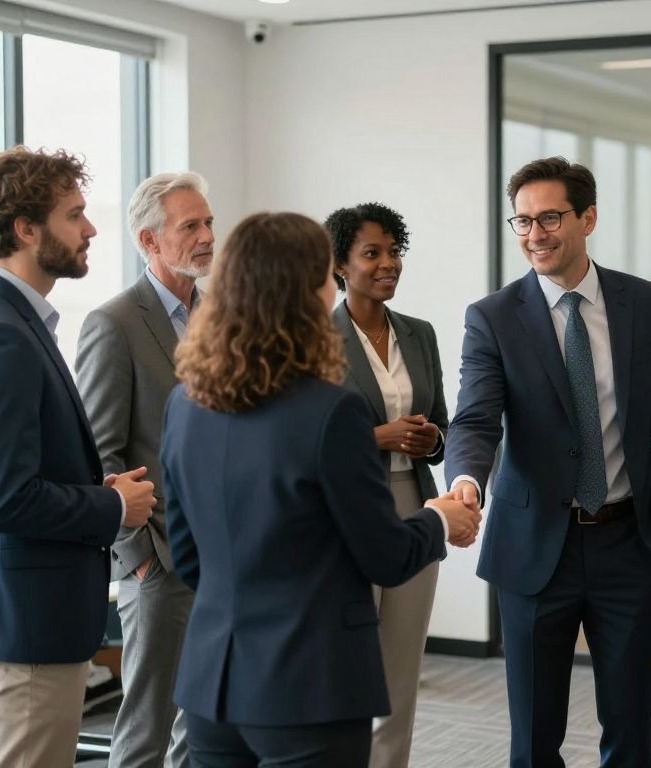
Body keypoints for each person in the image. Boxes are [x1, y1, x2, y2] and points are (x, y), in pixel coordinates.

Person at [160, 211, 480, 768]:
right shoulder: (332, 413)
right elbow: (384, 555)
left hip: (214, 685)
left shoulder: (184, 406)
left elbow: (189, 558)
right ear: (308, 292)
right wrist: (436, 519)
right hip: (309, 686)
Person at [445, 156, 651, 767]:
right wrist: (466, 482)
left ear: (588, 217)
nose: (535, 234)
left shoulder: (644, 302)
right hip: (532, 549)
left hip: (628, 544)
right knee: (533, 735)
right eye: (522, 221)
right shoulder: (493, 317)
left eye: (550, 217)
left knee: (631, 725)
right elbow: (475, 419)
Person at [0, 146, 156, 768]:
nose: (91, 229)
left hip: (31, 615)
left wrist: (97, 487)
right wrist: (113, 504)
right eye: (75, 214)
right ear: (26, 229)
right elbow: (5, 498)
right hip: (23, 622)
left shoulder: (14, 321)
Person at [76, 171, 214, 768]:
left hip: (223, 552)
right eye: (191, 226)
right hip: (158, 558)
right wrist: (140, 558)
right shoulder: (113, 324)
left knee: (205, 717)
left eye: (208, 221)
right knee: (148, 721)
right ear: (149, 241)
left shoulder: (221, 317)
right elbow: (99, 454)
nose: (208, 235)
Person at [325, 202, 447, 768]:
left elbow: (442, 419)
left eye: (393, 252)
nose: (388, 264)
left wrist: (430, 441)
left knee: (401, 669)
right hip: (346, 513)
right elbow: (306, 436)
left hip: (412, 504)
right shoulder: (317, 337)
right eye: (371, 253)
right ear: (341, 266)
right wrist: (378, 437)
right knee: (347, 665)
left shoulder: (419, 335)